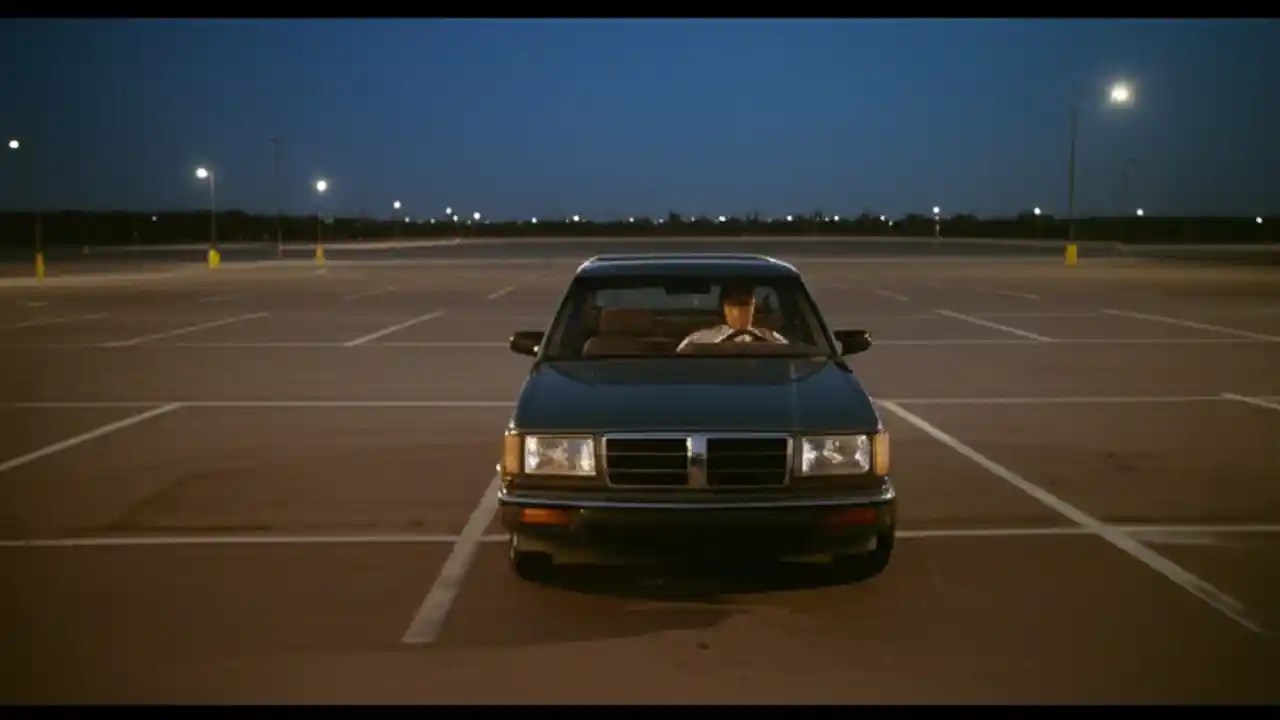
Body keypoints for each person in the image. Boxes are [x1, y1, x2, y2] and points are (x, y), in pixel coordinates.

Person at [677, 282, 788, 351]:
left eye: (746, 303)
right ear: (724, 307)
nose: (740, 311)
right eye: (734, 304)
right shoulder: (698, 340)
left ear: (754, 306)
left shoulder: (772, 340)